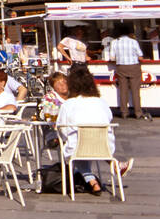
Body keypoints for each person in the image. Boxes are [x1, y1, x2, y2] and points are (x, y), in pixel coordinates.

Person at [57, 66, 133, 195]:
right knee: (81, 143)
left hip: (79, 147)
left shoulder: (68, 104)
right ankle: (112, 167)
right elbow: (108, 118)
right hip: (104, 147)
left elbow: (62, 129)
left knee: (72, 146)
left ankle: (91, 181)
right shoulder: (101, 102)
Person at [110, 25, 146, 120]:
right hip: (134, 66)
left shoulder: (114, 42)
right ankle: (138, 113)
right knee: (135, 90)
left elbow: (112, 58)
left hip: (121, 66)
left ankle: (124, 112)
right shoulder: (134, 42)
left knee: (123, 90)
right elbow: (140, 56)